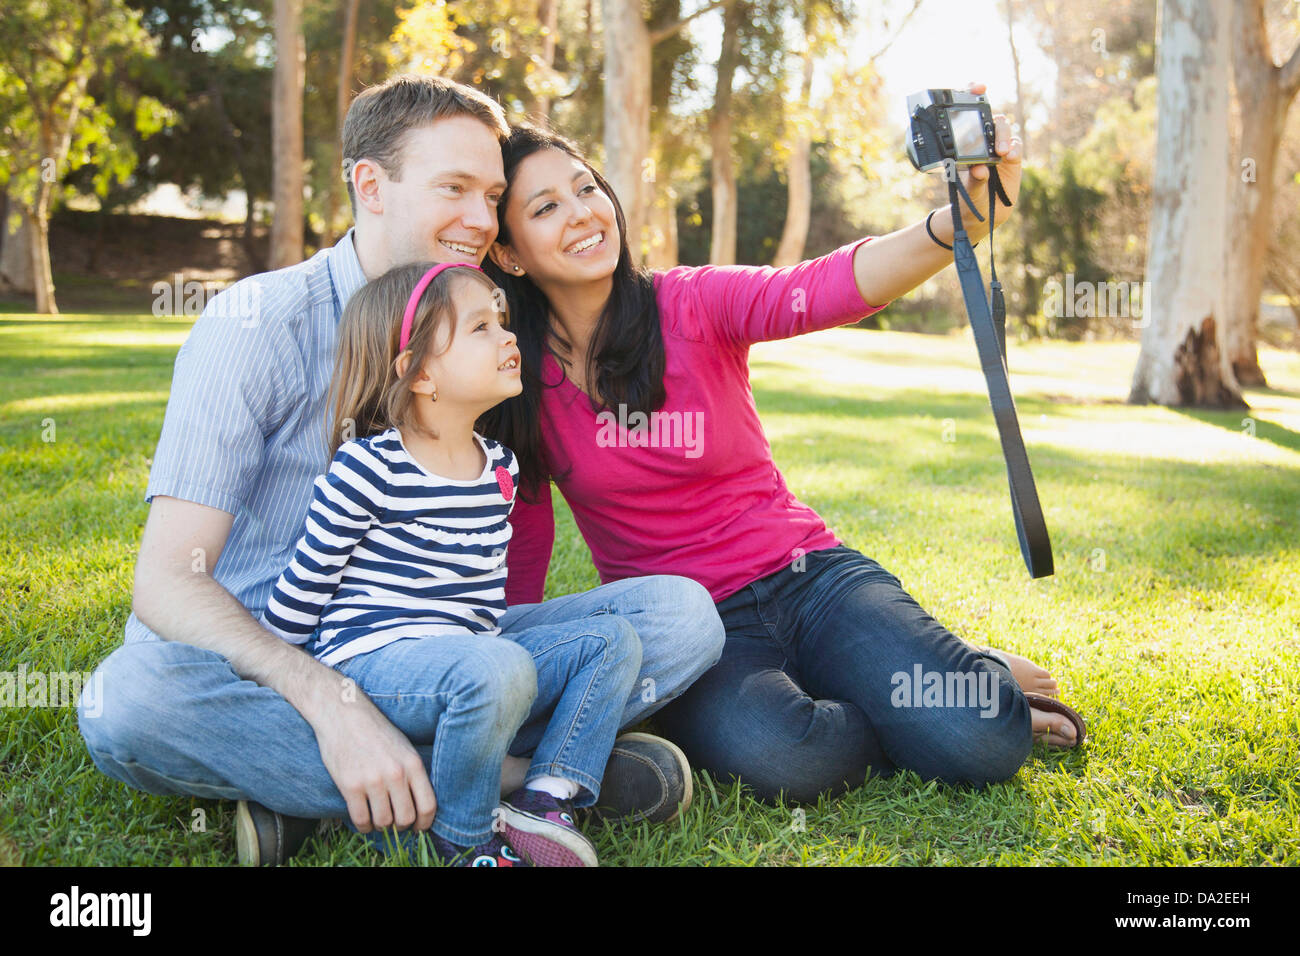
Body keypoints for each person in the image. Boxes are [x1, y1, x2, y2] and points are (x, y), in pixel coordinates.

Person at [76, 74, 725, 866]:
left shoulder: (482, 322)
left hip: (429, 646)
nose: (482, 221)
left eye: (492, 196)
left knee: (680, 615)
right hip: (255, 662)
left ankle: (337, 792)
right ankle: (513, 778)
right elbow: (168, 581)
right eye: (454, 189)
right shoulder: (255, 325)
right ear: (371, 184)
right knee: (129, 701)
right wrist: (328, 703)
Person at [481, 87, 1086, 808]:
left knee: (982, 741)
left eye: (586, 188)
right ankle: (919, 685)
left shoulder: (691, 303)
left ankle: (944, 681)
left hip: (811, 578)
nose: (582, 212)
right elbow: (525, 535)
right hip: (701, 631)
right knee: (790, 759)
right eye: (546, 207)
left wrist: (954, 224)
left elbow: (824, 286)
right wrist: (510, 672)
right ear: (510, 255)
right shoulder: (515, 379)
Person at [259, 260, 641, 866]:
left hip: (476, 658)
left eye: (503, 322)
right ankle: (466, 839)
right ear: (418, 374)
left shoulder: (500, 468)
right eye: (481, 327)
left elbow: (485, 598)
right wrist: (290, 681)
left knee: (611, 640)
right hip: (377, 664)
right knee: (494, 667)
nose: (508, 336)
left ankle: (545, 797)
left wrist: (497, 655)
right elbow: (306, 586)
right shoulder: (368, 467)